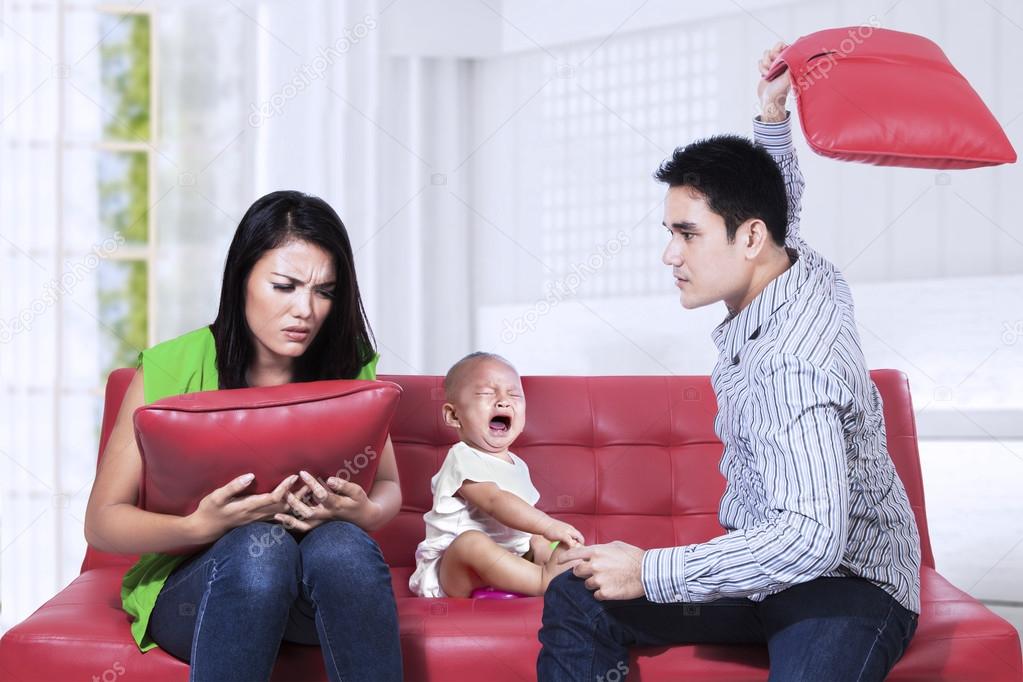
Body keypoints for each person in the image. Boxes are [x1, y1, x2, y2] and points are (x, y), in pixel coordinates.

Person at [536, 42, 922, 681]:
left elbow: (811, 538)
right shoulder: (796, 264)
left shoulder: (794, 362)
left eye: (686, 234)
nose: (669, 255)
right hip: (758, 574)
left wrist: (652, 570)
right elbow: (778, 204)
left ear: (747, 239)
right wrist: (772, 118)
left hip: (847, 584)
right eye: (670, 232)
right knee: (580, 593)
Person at [83, 190, 403, 682]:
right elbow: (103, 523)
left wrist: (364, 512)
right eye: (285, 285)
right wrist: (198, 527)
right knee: (262, 547)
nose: (306, 310)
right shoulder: (173, 366)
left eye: (325, 291)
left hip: (310, 592)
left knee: (343, 543)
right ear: (242, 280)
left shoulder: (347, 364)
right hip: (197, 593)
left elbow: (388, 489)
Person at [408, 352, 584, 598]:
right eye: (486, 394)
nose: (503, 402)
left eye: (513, 395)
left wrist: (548, 542)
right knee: (472, 542)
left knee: (545, 542)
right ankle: (542, 581)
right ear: (453, 415)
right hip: (456, 570)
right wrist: (548, 524)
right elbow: (494, 501)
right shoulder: (462, 457)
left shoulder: (518, 465)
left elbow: (526, 522)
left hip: (512, 559)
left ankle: (562, 570)